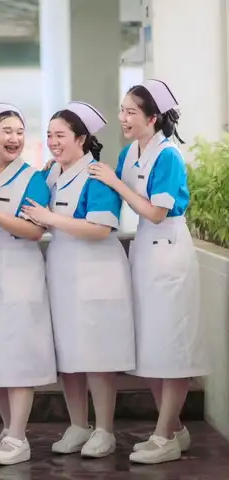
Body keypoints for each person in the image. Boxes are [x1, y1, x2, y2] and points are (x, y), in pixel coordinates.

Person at [89, 79, 210, 465]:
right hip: (144, 253)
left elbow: (157, 212)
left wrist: (114, 182)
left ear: (153, 118)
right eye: (122, 110)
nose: (123, 118)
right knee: (153, 349)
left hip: (169, 251)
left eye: (131, 112)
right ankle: (173, 429)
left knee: (172, 346)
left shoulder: (167, 155)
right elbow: (113, 193)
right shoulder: (131, 153)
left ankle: (164, 437)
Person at [22, 102, 135, 459]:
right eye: (49, 135)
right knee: (69, 353)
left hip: (97, 271)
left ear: (81, 139)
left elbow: (100, 228)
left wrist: (49, 218)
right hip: (63, 271)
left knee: (98, 354)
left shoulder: (97, 174)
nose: (53, 142)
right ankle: (77, 425)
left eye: (61, 135)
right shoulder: (51, 174)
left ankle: (104, 430)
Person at [0, 103, 57, 466]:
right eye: (7, 131)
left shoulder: (33, 179)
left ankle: (19, 437)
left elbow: (34, 231)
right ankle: (7, 431)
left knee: (18, 355)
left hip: (20, 273)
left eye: (20, 132)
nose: (15, 138)